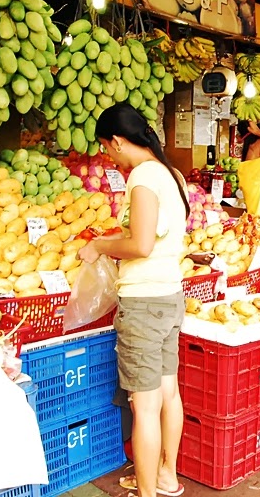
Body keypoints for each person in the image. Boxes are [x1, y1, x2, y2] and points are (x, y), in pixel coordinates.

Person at [78, 103, 190, 497]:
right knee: (168, 393)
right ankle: (166, 477)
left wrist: (100, 246)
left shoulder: (143, 177)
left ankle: (146, 493)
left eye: (106, 147)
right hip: (170, 296)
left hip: (144, 303)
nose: (109, 156)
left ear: (118, 141)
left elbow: (141, 245)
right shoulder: (171, 173)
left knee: (144, 406)